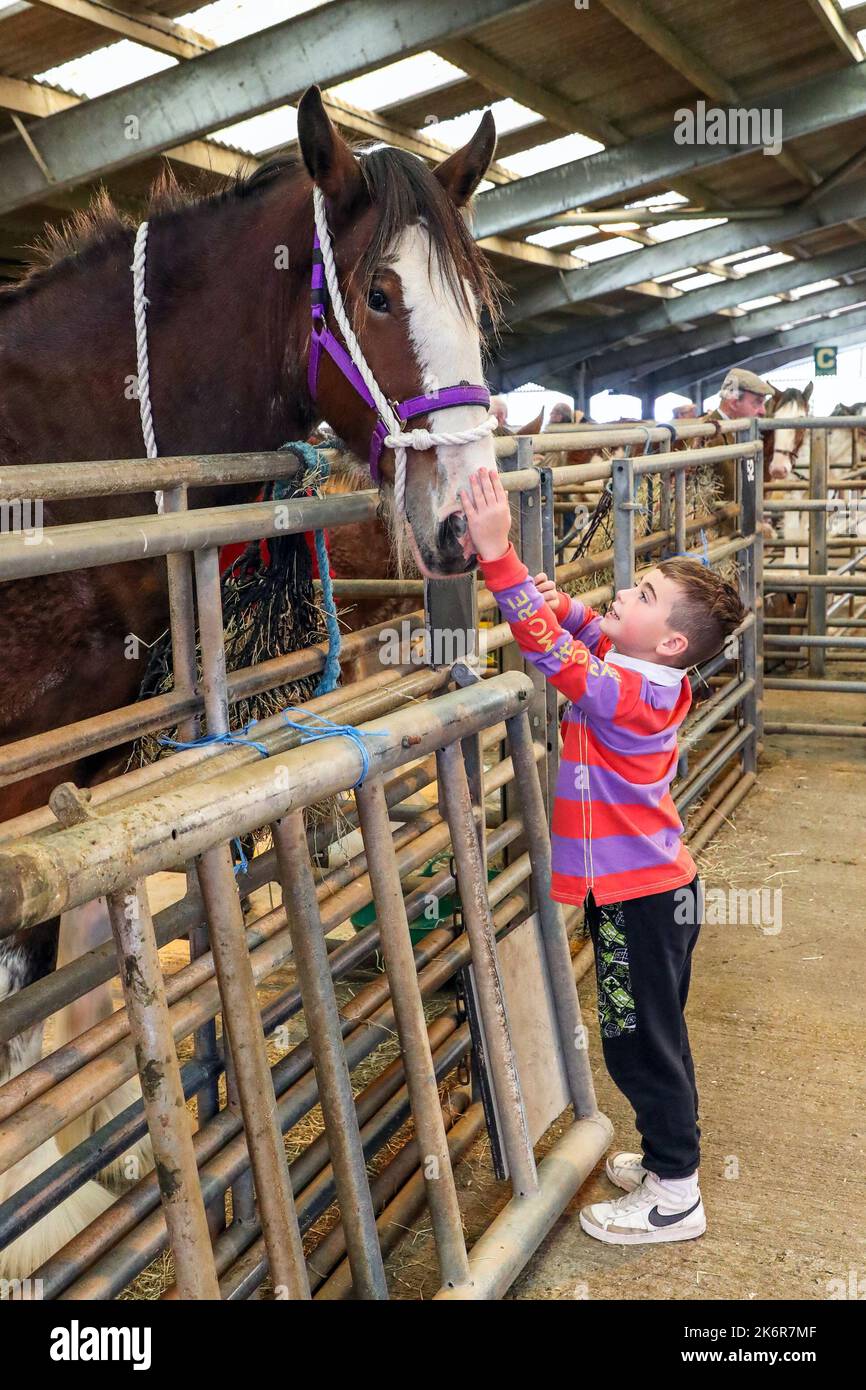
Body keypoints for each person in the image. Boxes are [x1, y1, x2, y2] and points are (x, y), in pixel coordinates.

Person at [457, 467, 746, 1246]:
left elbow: (552, 654)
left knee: (635, 1041)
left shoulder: (627, 696)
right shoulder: (652, 677)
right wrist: (559, 602)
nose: (626, 593)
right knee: (657, 1031)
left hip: (638, 899)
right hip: (655, 889)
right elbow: (581, 633)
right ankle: (665, 1162)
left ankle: (676, 1196)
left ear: (673, 641)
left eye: (644, 596)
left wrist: (500, 559)